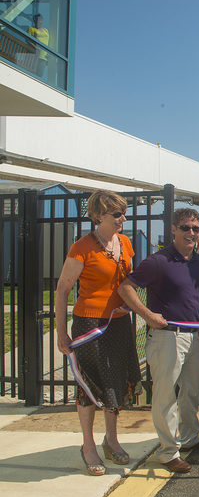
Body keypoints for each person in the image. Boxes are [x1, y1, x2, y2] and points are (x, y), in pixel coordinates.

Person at [118, 208, 199, 474]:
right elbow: (125, 287)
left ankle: (189, 437)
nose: (191, 233)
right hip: (166, 337)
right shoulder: (159, 261)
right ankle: (168, 451)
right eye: (185, 228)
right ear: (173, 229)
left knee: (191, 390)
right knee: (165, 397)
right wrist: (147, 315)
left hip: (192, 335)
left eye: (195, 229)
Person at [55, 190, 141, 476]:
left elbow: (128, 281)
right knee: (90, 386)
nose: (122, 218)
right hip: (90, 326)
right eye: (117, 214)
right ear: (98, 216)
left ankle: (112, 440)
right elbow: (63, 290)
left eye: (123, 213)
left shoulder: (125, 242)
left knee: (114, 381)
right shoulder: (81, 247)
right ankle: (88, 445)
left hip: (118, 325)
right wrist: (60, 333)